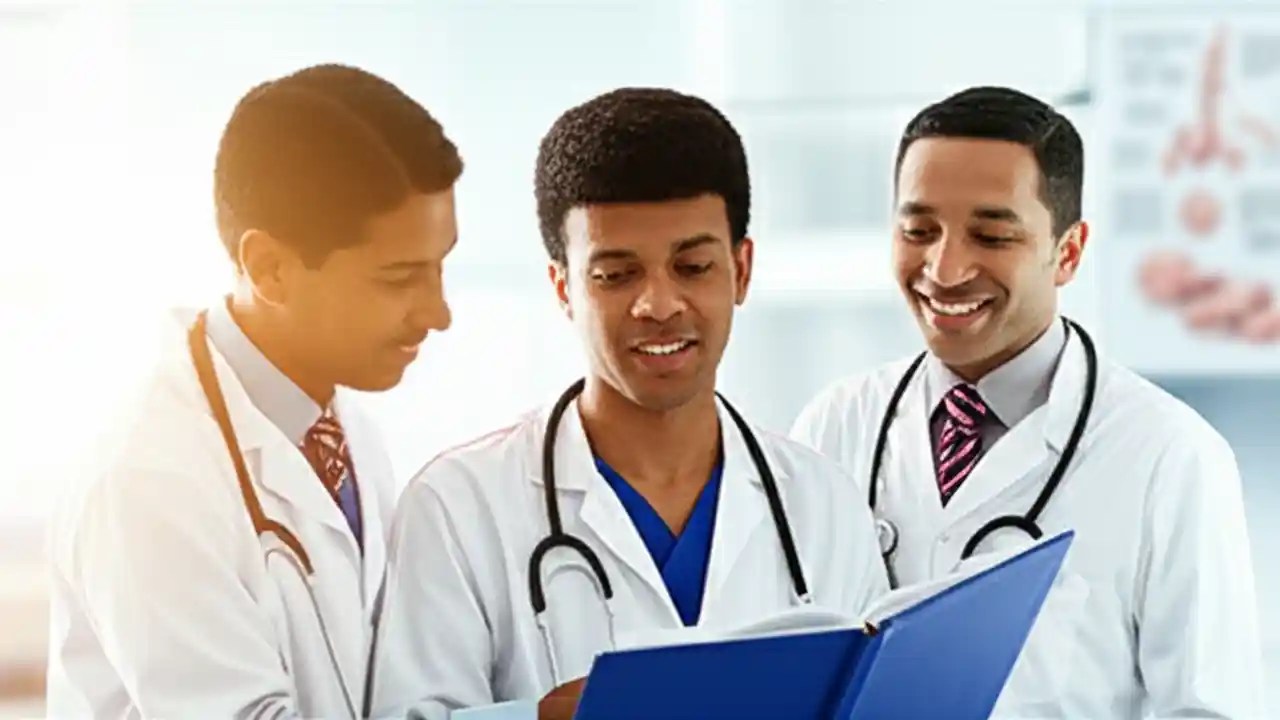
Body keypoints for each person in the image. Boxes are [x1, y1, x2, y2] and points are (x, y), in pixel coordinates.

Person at [370, 87, 889, 720]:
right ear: (563, 287)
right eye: (616, 275)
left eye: (693, 266)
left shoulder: (822, 503)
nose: (659, 305)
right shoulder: (459, 508)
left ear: (742, 270)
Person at [790, 86, 1264, 718]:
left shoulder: (1169, 455)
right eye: (918, 230)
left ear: (1066, 252)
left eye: (990, 235)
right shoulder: (835, 426)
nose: (945, 268)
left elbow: (1210, 710)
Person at [45, 64, 462, 719]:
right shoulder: (148, 477)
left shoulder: (344, 429)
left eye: (442, 267)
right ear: (270, 268)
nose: (439, 313)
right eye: (399, 278)